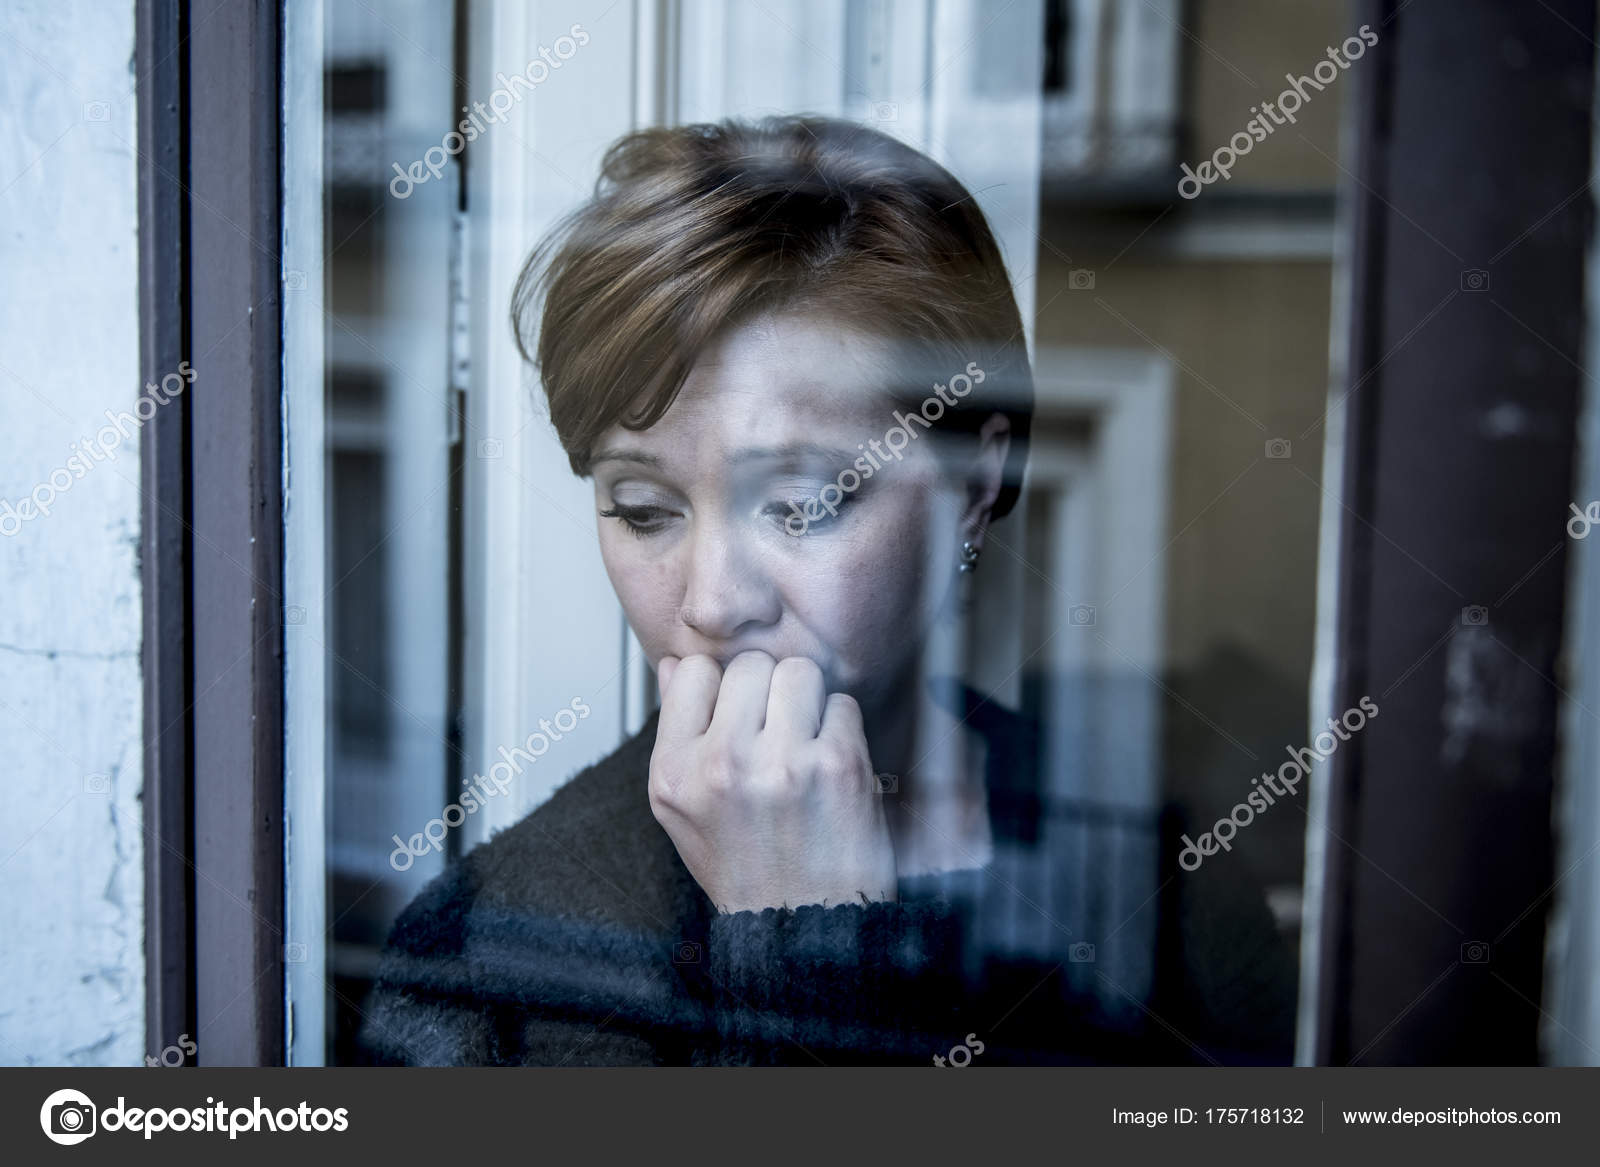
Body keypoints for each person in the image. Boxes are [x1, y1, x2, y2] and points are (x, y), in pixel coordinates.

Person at [359, 115, 1295, 1066]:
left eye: (802, 506)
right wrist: (798, 951)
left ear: (972, 487)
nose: (714, 603)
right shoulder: (488, 957)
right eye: (643, 508)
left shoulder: (1162, 875)